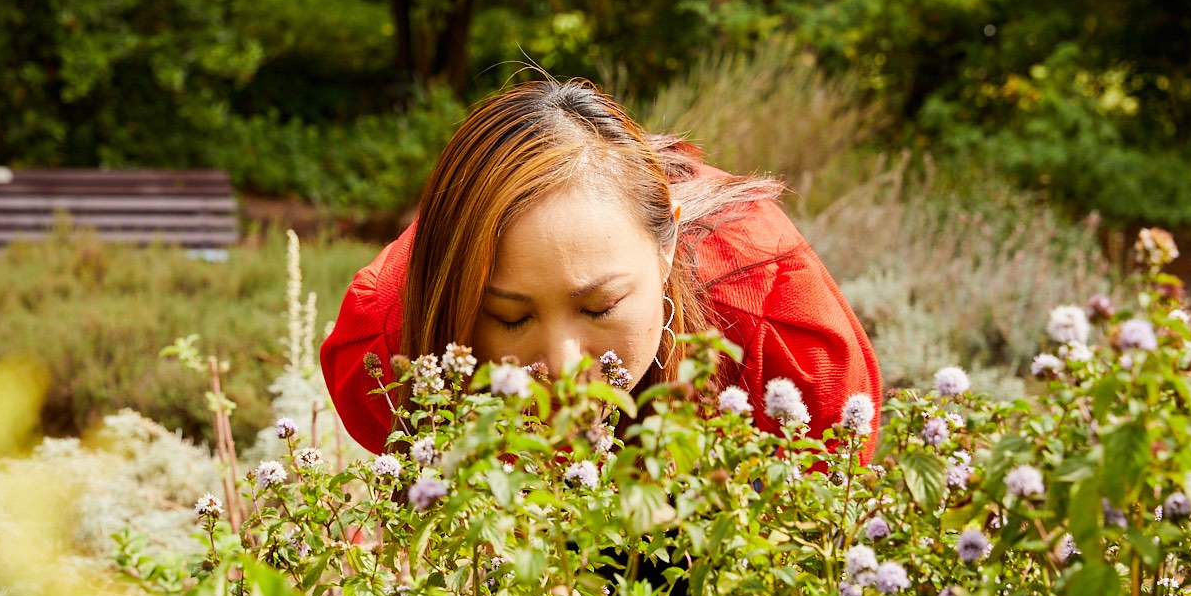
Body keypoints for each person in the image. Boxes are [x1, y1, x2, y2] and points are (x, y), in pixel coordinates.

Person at [320, 79, 881, 453]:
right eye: (511, 318)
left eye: (599, 306)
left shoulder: (777, 326)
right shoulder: (394, 349)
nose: (563, 367)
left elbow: (793, 577)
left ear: (666, 247)